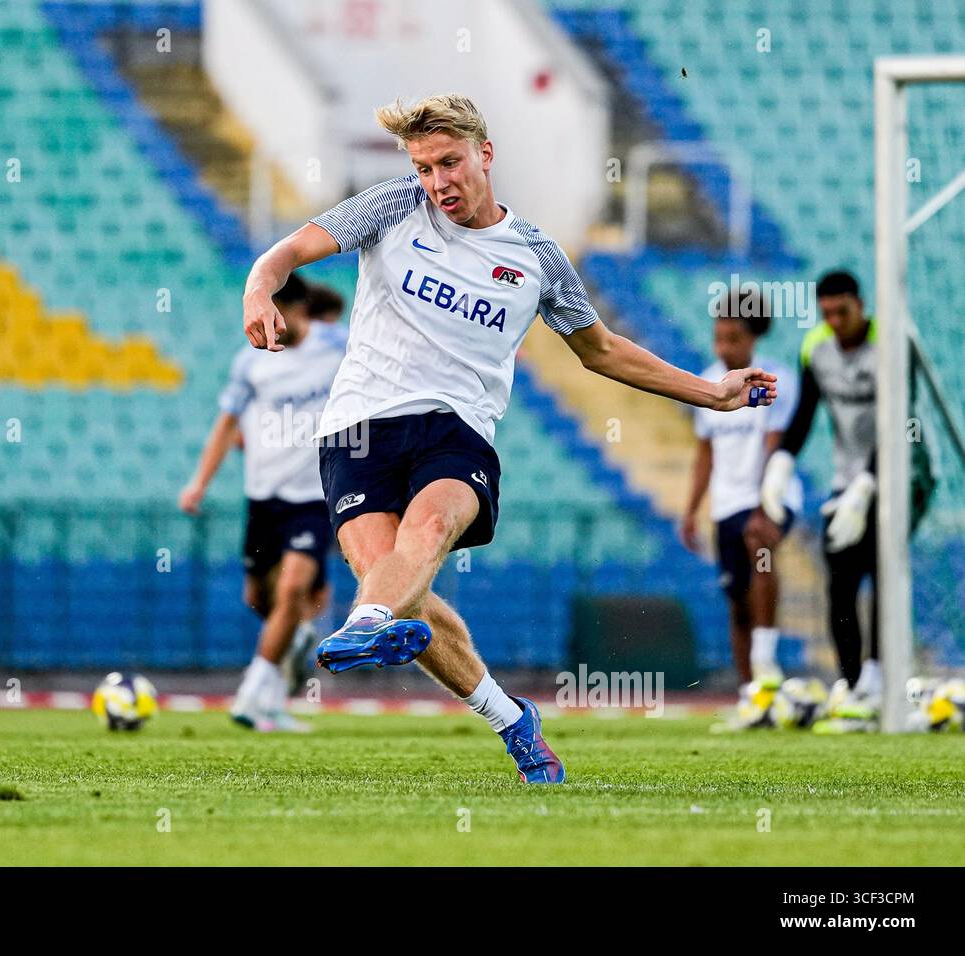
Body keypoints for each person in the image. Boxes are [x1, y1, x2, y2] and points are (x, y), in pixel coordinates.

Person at [240, 94, 777, 782]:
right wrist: (260, 286)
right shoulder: (392, 206)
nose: (438, 183)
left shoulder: (535, 257)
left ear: (484, 155)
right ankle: (509, 717)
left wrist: (711, 391)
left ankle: (367, 620)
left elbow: (603, 350)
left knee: (427, 533)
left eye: (450, 164)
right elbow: (287, 253)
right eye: (426, 167)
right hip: (356, 429)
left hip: (454, 429)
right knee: (404, 593)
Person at [180, 274, 344, 731]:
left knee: (292, 590)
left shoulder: (338, 347)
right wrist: (199, 484)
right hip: (263, 499)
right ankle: (290, 648)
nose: (262, 325)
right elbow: (226, 423)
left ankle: (254, 694)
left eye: (270, 316)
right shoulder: (250, 363)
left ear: (295, 310)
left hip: (313, 497)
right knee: (260, 599)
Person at [760, 270, 880, 730]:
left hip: (898, 474)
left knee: (885, 570)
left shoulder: (888, 344)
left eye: (841, 312)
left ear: (860, 305)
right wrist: (782, 463)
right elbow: (805, 414)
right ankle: (853, 685)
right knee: (841, 582)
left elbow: (898, 422)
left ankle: (880, 681)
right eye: (826, 313)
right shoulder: (817, 348)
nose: (834, 321)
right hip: (844, 480)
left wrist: (869, 485)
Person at [681, 289, 801, 729]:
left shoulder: (774, 379)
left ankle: (767, 663)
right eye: (718, 338)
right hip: (726, 503)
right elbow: (705, 455)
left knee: (759, 541)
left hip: (769, 495)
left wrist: (765, 504)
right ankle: (751, 695)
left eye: (732, 337)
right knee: (735, 600)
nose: (724, 347)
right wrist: (691, 511)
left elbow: (775, 445)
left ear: (752, 338)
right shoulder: (707, 384)